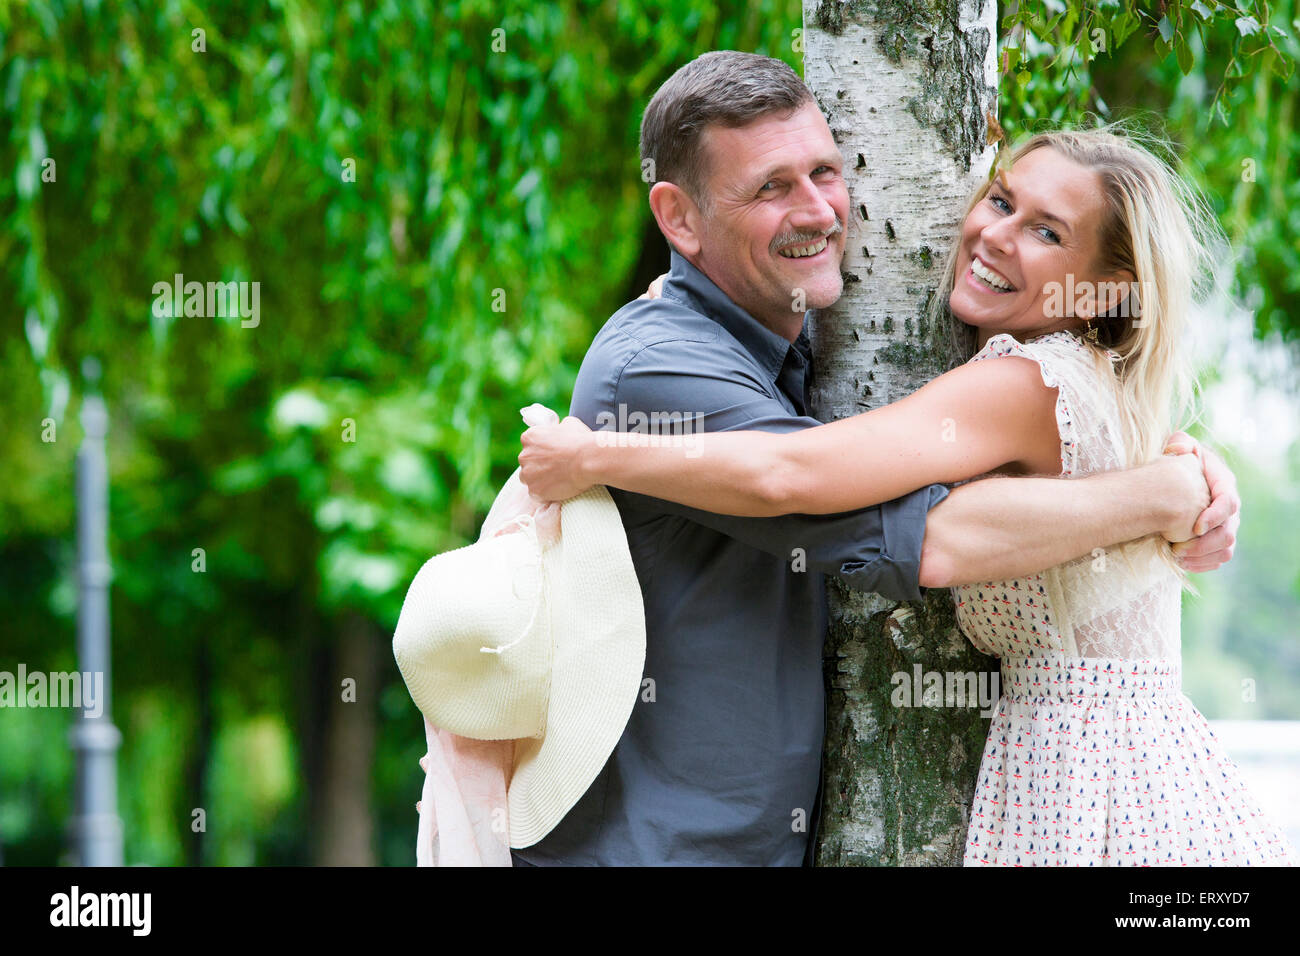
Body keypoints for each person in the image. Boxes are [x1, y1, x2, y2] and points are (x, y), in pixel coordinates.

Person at [509, 51, 1239, 867]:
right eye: (771, 188)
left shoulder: (836, 355)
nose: (819, 211)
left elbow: (807, 467)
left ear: (1106, 289)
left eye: (826, 171)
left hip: (1083, 790)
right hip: (656, 850)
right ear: (679, 220)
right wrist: (1170, 494)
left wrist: (1186, 483)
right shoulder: (660, 366)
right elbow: (914, 530)